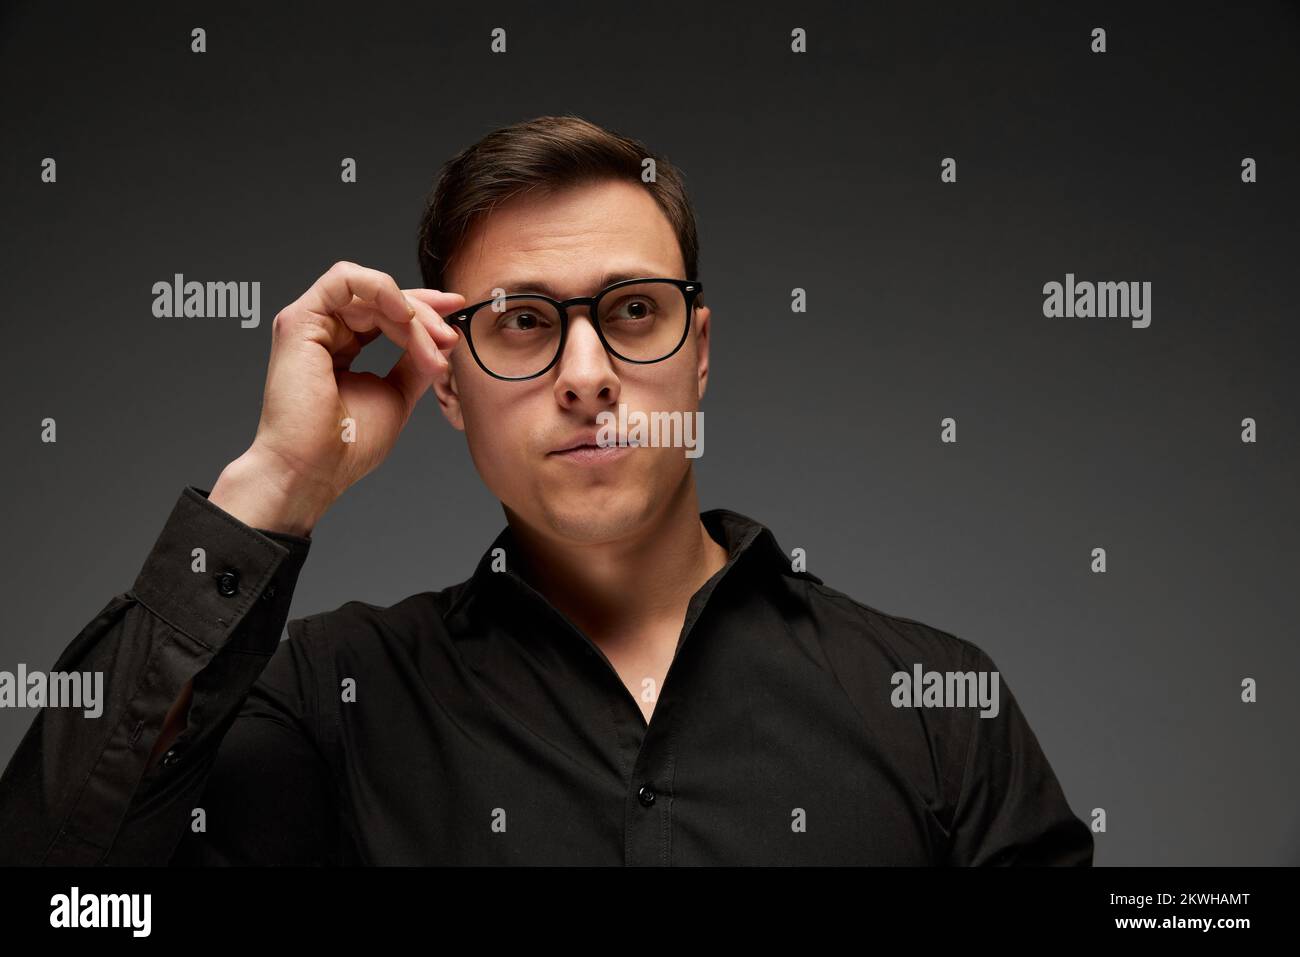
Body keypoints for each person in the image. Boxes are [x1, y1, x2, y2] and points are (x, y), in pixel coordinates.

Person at [0, 115, 1093, 865]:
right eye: (521, 322)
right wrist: (272, 486)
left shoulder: (940, 709)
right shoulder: (332, 703)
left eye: (632, 310)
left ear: (698, 350)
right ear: (445, 382)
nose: (585, 376)